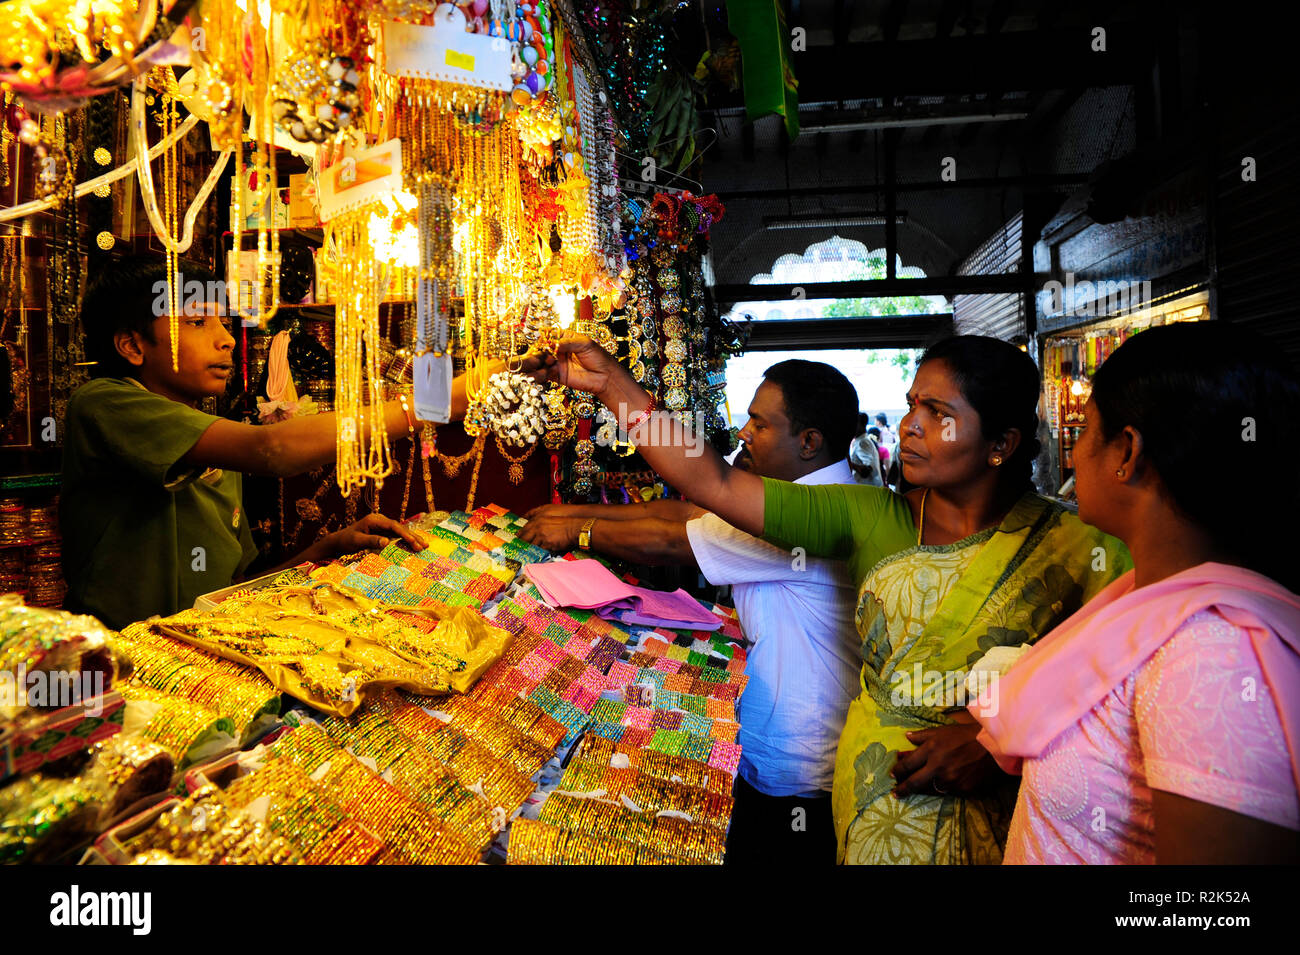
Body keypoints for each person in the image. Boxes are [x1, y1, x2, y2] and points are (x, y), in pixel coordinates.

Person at [545, 333, 1130, 863]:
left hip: (999, 819)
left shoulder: (1079, 548)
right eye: (910, 406)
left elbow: (1120, 684)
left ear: (1001, 442)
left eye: (938, 413)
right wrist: (612, 384)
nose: (910, 426)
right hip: (868, 801)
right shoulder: (868, 515)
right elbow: (710, 485)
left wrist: (995, 737)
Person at [61, 256, 552, 630]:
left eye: (221, 321)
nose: (226, 339)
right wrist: (433, 401)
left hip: (202, 660)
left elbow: (235, 591)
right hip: (124, 669)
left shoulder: (209, 438)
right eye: (196, 323)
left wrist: (325, 551)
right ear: (131, 345)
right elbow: (270, 451)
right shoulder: (104, 404)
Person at [967, 322, 1300, 864]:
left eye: (1084, 432)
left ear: (1127, 451)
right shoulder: (1152, 600)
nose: (1071, 459)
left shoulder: (1212, 652)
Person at [520, 360, 863, 864]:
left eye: (762, 424)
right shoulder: (800, 496)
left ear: (809, 442)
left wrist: (579, 531)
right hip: (795, 754)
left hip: (796, 774)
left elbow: (671, 537)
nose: (744, 433)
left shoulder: (815, 516)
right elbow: (689, 511)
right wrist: (573, 513)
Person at [848, 418, 884, 486]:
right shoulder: (861, 441)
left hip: (868, 490)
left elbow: (867, 470)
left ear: (861, 426)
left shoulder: (862, 442)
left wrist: (849, 463)